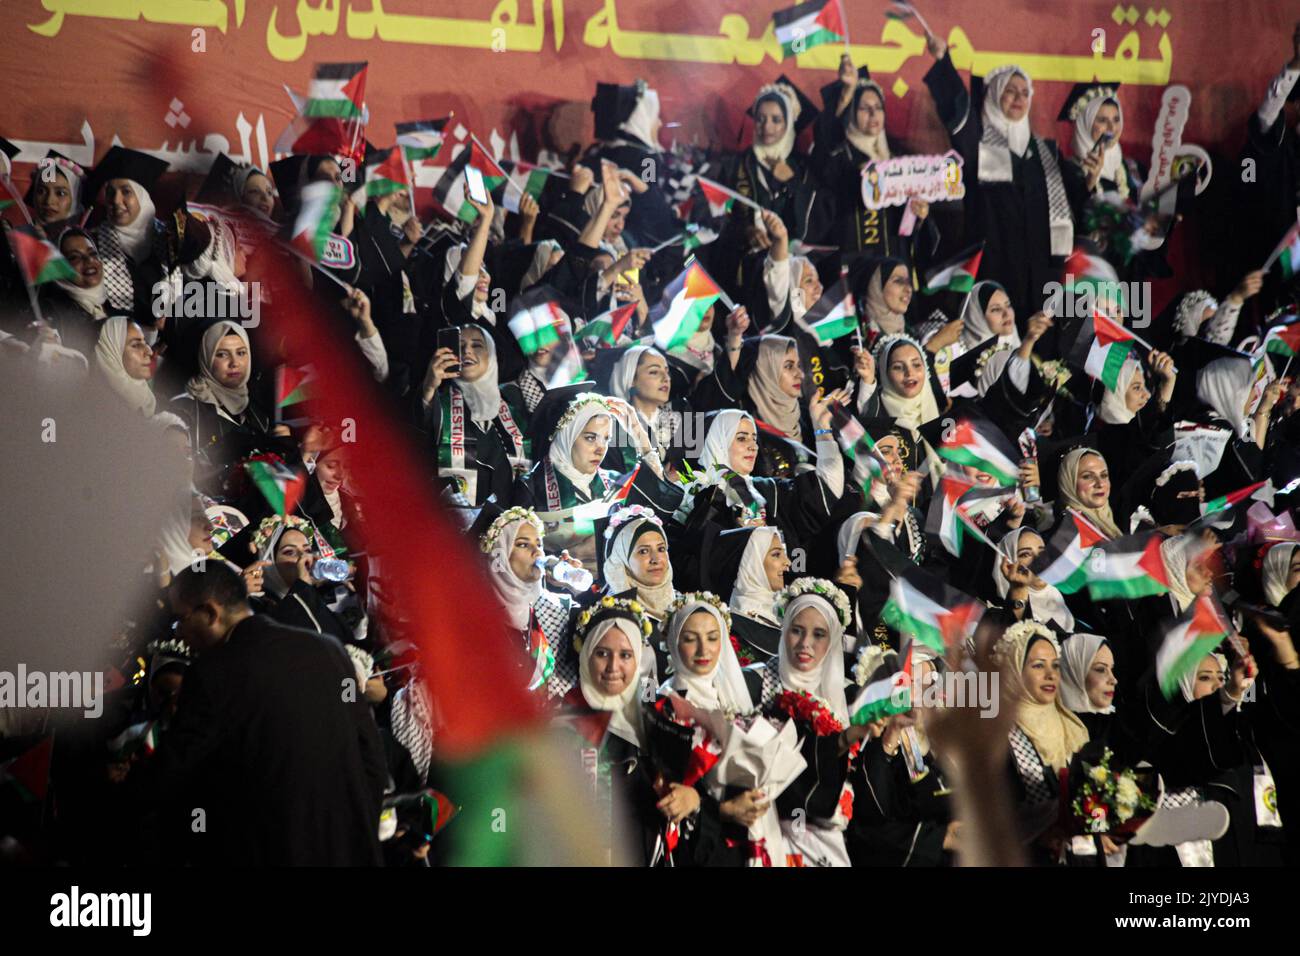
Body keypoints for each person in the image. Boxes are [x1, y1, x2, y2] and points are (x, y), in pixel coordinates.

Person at [122, 562, 387, 865]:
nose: (179, 633)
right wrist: (352, 828)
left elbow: (175, 771)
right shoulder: (327, 650)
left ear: (210, 613)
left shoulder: (213, 674)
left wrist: (125, 795)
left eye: (180, 619)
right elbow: (372, 757)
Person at [923, 34, 1073, 316]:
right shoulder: (979, 146)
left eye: (1024, 92)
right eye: (1010, 91)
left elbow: (1072, 203)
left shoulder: (1047, 152)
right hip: (995, 269)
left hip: (1042, 276)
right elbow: (959, 115)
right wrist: (944, 61)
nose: (1019, 98)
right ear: (993, 95)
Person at [994, 621, 1090, 864]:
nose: (1050, 675)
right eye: (1038, 666)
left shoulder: (1075, 728)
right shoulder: (998, 736)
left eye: (1055, 666)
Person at [419, 324, 530, 507]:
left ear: (491, 355)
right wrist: (430, 387)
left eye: (477, 345)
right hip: (456, 525)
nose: (467, 351)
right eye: (460, 346)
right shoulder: (439, 403)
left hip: (511, 525)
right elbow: (418, 431)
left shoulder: (513, 406)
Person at [92, 316, 156, 417]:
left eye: (145, 343)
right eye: (135, 345)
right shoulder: (97, 407)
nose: (149, 351)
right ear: (111, 352)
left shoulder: (147, 399)